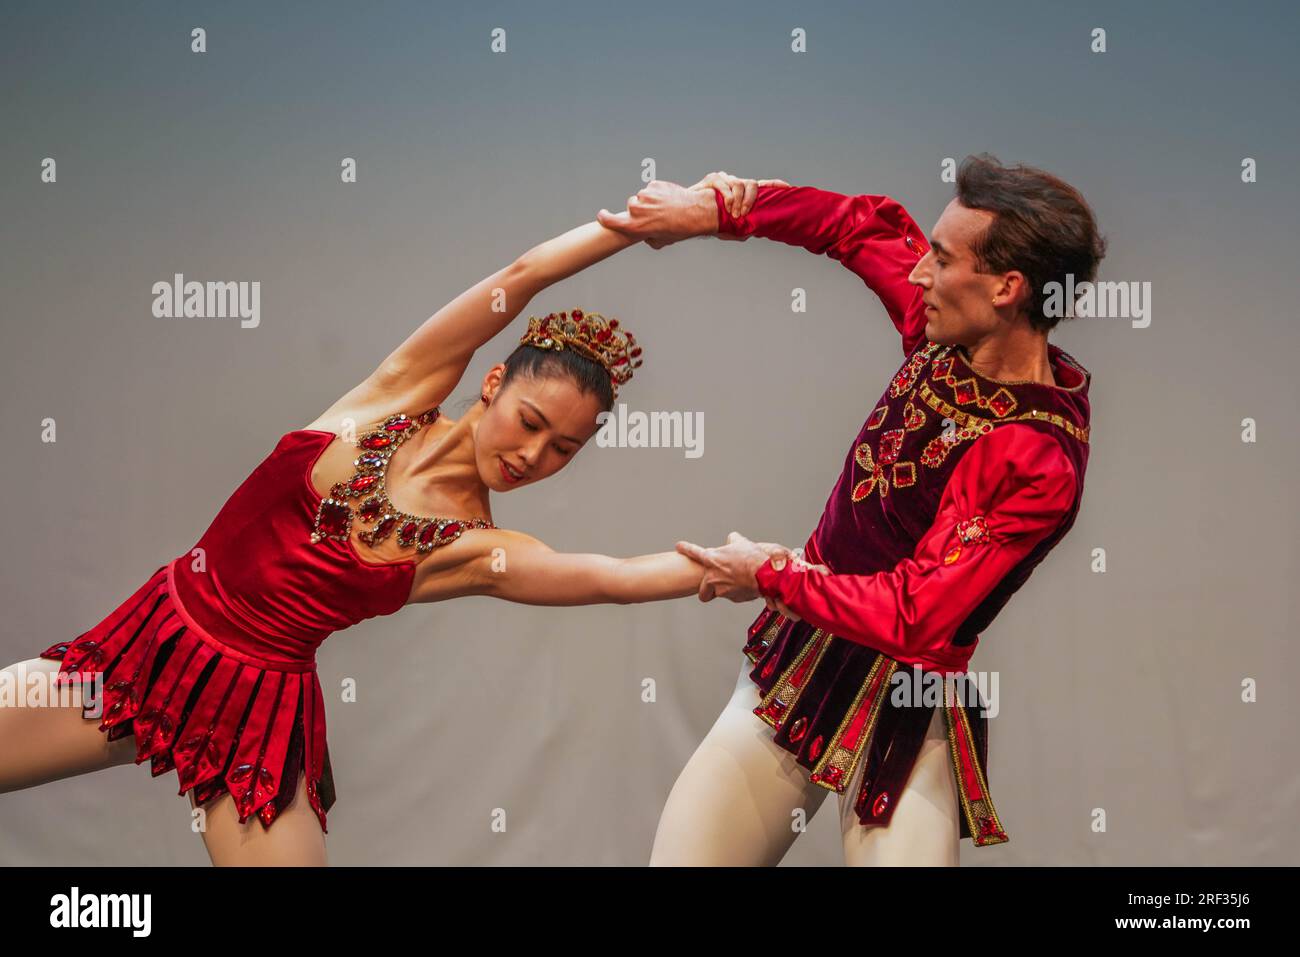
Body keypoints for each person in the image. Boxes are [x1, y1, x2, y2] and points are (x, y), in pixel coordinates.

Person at [0, 205, 759, 866]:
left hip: (255, 718)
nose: (533, 456)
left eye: (563, 448)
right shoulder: (396, 390)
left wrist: (764, 569)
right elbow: (522, 273)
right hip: (150, 645)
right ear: (492, 384)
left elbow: (616, 578)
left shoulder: (478, 550)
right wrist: (636, 227)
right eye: (531, 422)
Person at [597, 157, 1104, 865]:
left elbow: (915, 615)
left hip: (903, 700)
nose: (919, 272)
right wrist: (716, 211)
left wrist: (773, 575)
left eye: (942, 257)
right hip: (800, 670)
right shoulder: (946, 334)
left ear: (1006, 288)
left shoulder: (1032, 457)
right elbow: (855, 226)